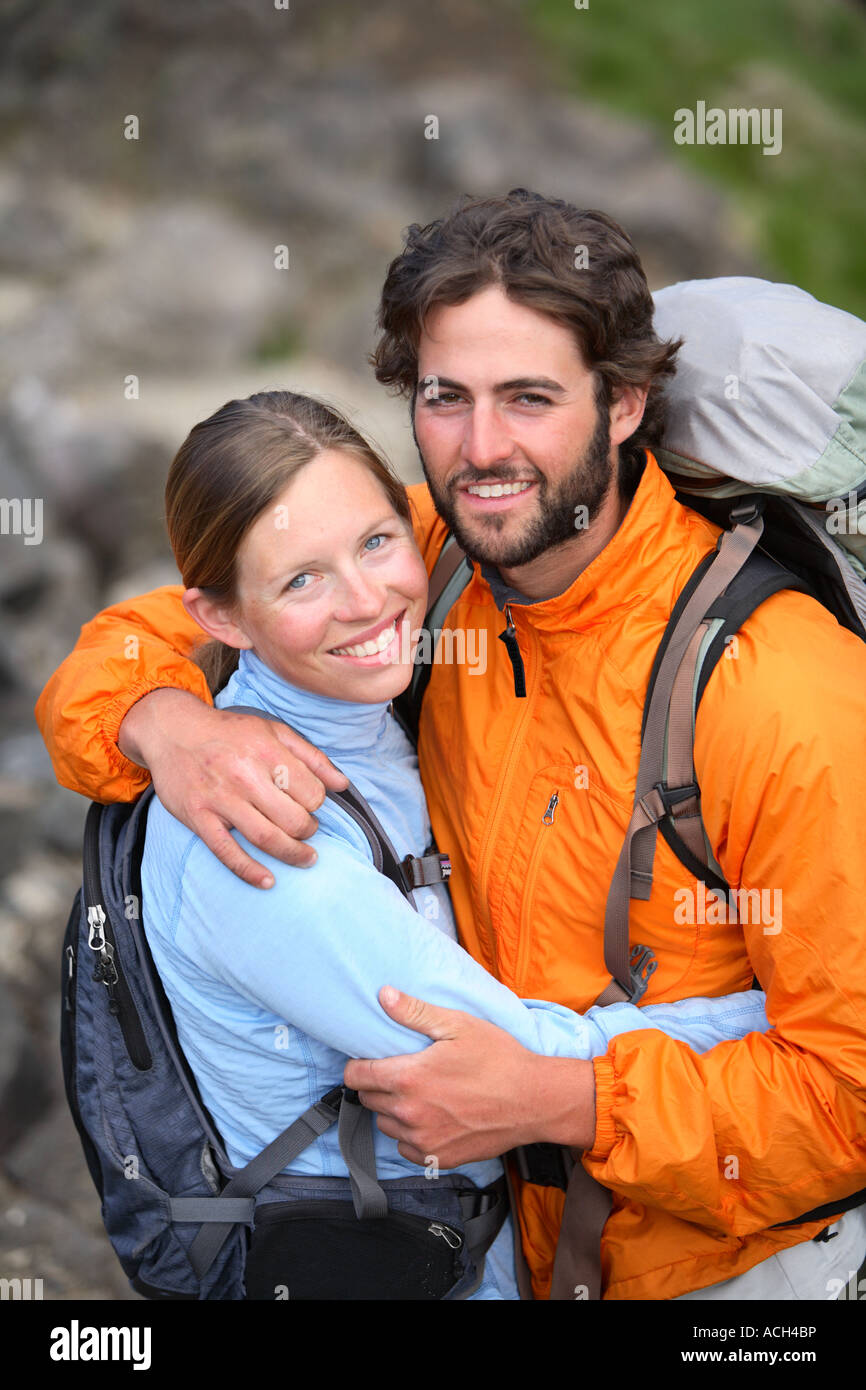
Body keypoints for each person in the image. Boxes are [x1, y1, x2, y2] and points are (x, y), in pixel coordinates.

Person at [36, 191, 866, 1300]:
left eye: (528, 398)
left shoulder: (781, 689)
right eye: (445, 398)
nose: (481, 451)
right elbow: (144, 637)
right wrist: (167, 721)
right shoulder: (430, 568)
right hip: (505, 1251)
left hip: (723, 1267)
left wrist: (568, 1103)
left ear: (621, 404)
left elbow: (850, 1095)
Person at [133, 387, 766, 1300]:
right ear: (222, 618)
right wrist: (778, 1020)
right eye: (301, 580)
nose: (367, 601)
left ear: (415, 523)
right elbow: (517, 1062)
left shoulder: (354, 719)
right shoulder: (263, 843)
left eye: (377, 542)